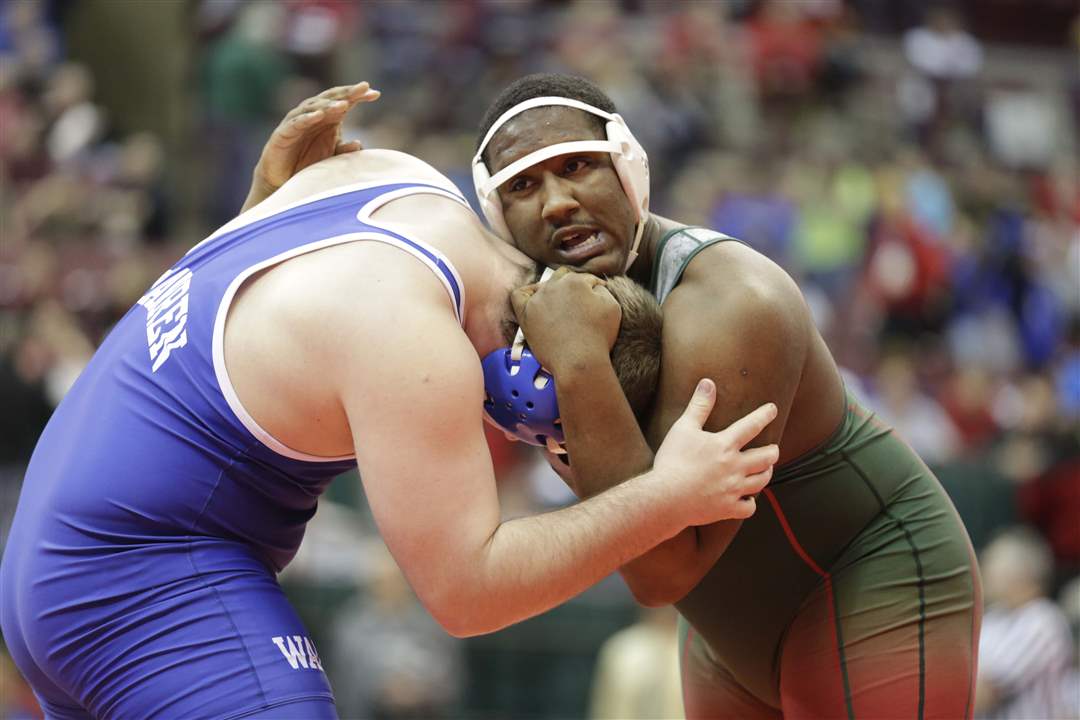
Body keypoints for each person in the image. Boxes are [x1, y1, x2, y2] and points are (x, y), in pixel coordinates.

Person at [0, 82, 782, 719]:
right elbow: (466, 595)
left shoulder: (397, 178)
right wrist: (667, 496)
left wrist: (256, 203)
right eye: (561, 435)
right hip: (135, 579)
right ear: (531, 389)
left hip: (60, 557)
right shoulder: (414, 341)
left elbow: (274, 321)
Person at [473, 74, 982, 719]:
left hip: (867, 578)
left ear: (629, 167)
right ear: (496, 217)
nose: (555, 203)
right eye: (523, 185)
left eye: (576, 166)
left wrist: (578, 367)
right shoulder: (531, 302)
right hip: (722, 627)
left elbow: (660, 572)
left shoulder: (733, 302)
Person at [975, 528, 1074, 720]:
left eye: (992, 566)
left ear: (1020, 574)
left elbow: (985, 694)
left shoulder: (1043, 620)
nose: (984, 573)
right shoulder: (994, 617)